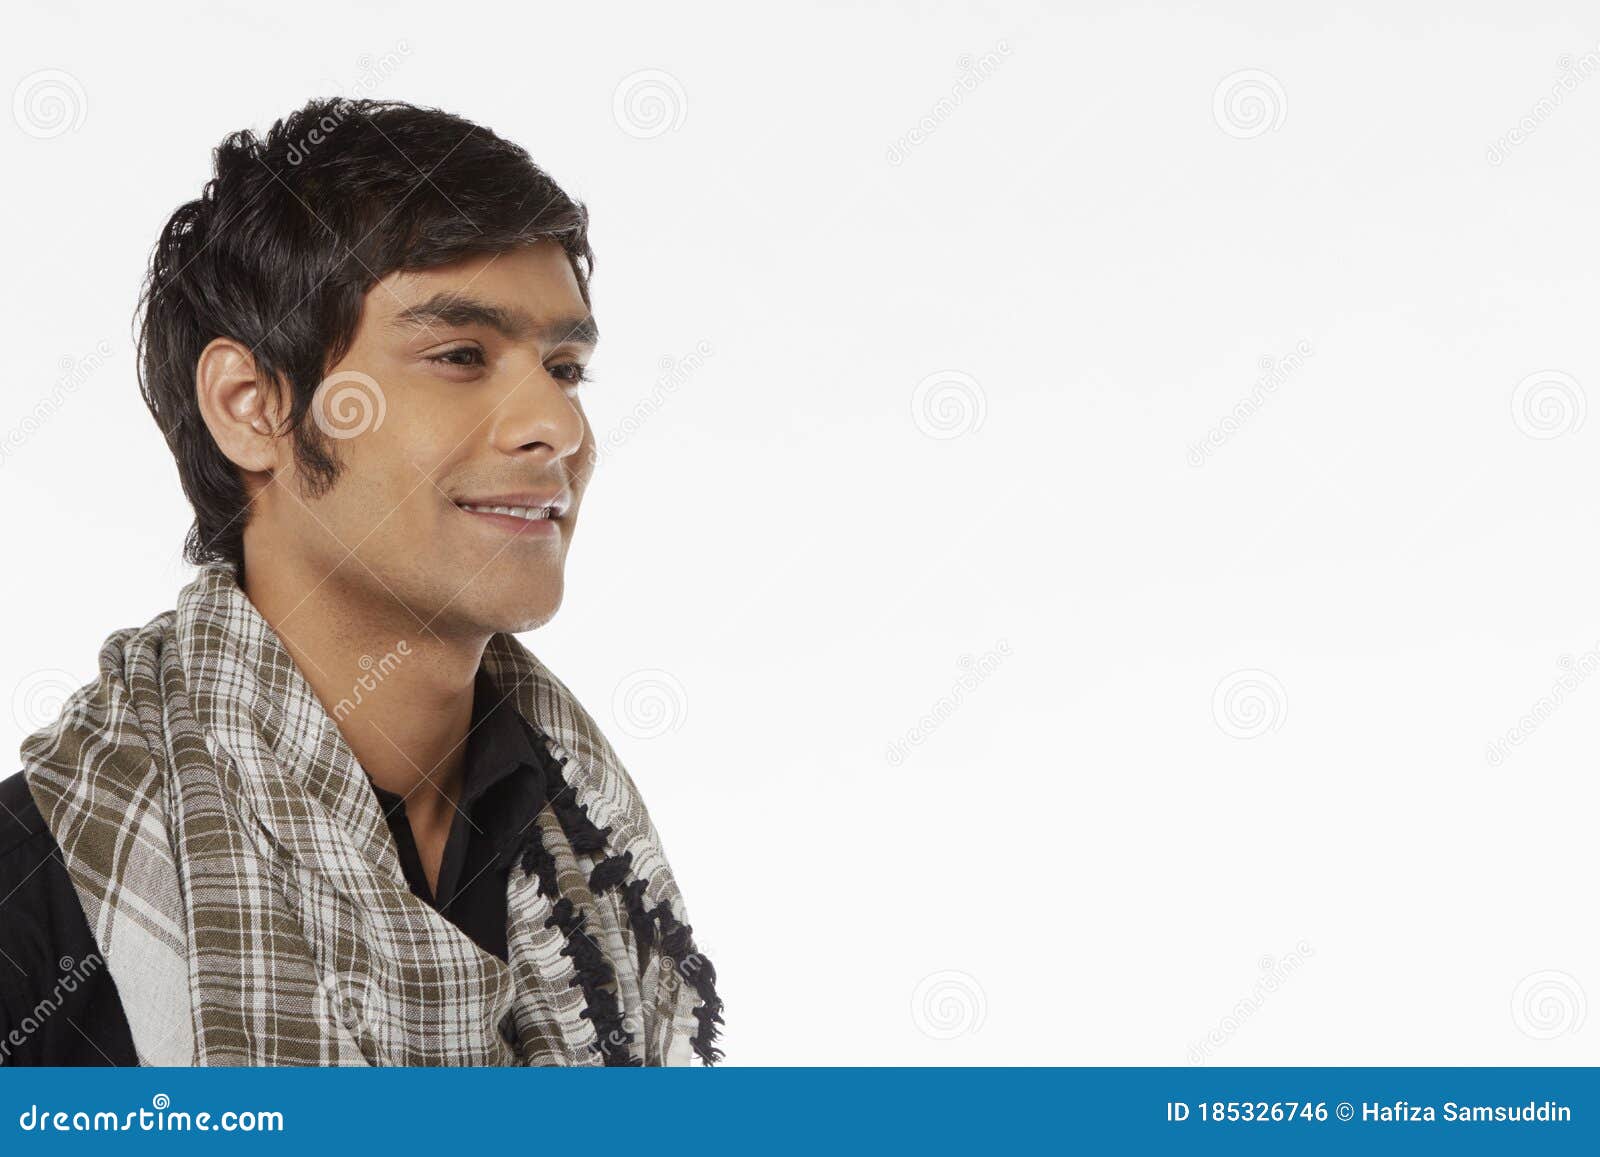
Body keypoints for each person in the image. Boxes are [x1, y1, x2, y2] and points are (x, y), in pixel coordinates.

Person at [0, 97, 721, 1067]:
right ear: (253, 408)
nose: (555, 422)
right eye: (461, 355)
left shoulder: (588, 845)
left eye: (564, 366)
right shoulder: (33, 897)